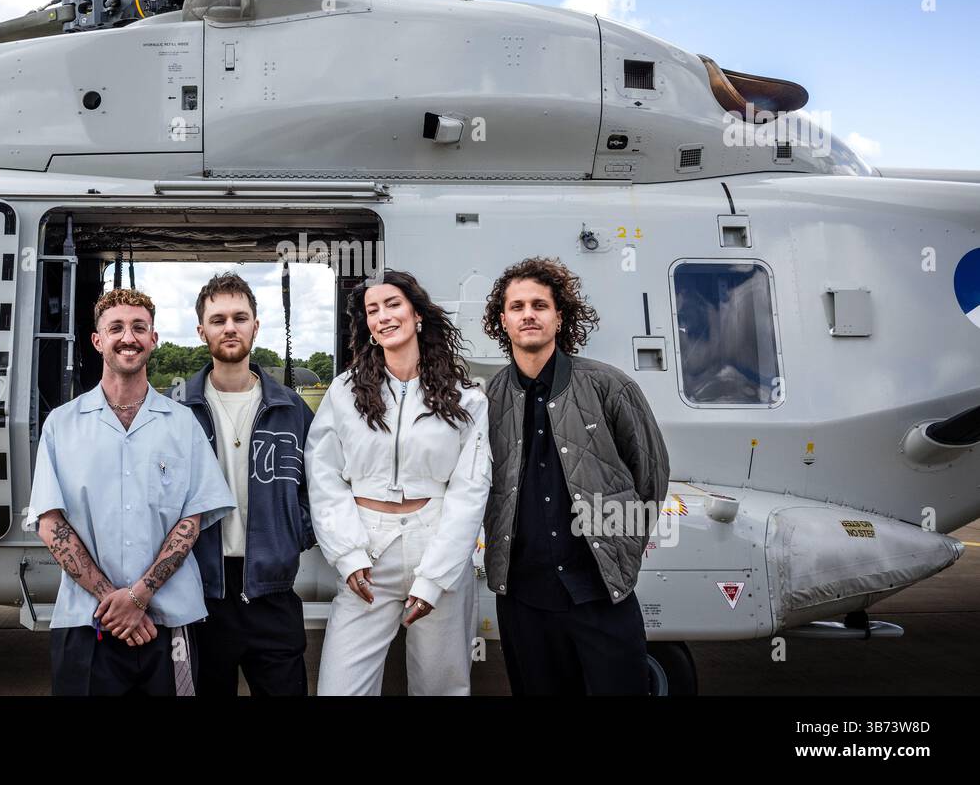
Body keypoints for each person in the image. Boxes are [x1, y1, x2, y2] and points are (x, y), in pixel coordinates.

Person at [25, 288, 236, 696]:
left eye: (140, 328)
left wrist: (138, 597)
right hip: (88, 620)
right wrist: (114, 601)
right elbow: (51, 524)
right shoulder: (62, 425)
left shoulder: (182, 424)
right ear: (97, 340)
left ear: (153, 339)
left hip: (168, 620)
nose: (128, 337)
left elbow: (191, 521)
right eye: (116, 327)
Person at [481, 257, 670, 695]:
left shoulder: (608, 386)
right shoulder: (489, 398)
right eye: (517, 306)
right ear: (503, 320)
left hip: (599, 593)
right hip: (523, 597)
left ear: (559, 316)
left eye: (540, 305)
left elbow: (651, 475)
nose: (529, 314)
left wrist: (620, 549)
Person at [307, 269, 490, 696]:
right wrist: (347, 554)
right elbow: (323, 473)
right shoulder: (344, 393)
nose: (383, 316)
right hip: (367, 555)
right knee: (341, 688)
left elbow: (470, 490)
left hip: (437, 549)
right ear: (367, 326)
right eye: (373, 310)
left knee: (441, 687)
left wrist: (434, 579)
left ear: (417, 314)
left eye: (392, 304)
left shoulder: (467, 398)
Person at [181, 272, 316, 696]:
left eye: (240, 317)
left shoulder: (291, 409)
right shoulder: (177, 412)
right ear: (202, 329)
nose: (230, 327)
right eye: (218, 319)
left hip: (272, 592)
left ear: (256, 326)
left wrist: (292, 533)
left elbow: (320, 489)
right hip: (203, 592)